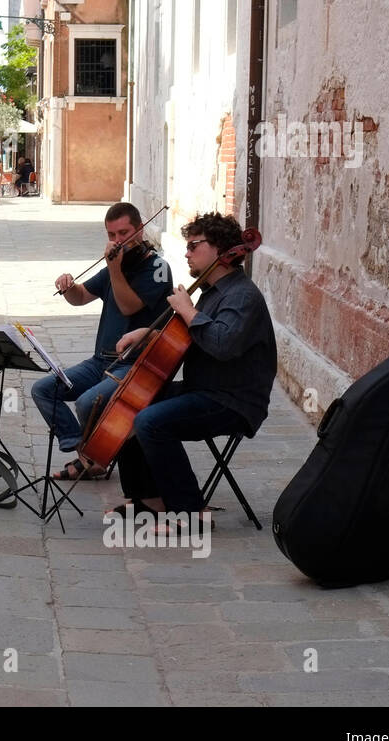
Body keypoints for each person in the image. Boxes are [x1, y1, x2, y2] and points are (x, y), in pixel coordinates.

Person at [95, 212, 277, 519]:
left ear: (220, 249)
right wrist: (149, 333)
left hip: (233, 400)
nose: (187, 253)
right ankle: (149, 500)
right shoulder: (211, 294)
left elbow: (222, 344)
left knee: (151, 421)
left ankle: (189, 511)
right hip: (205, 389)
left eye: (194, 246)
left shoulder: (242, 296)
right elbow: (191, 339)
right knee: (128, 403)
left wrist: (189, 312)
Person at [30, 203, 174, 479]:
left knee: (87, 403)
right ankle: (84, 451)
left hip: (133, 364)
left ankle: (93, 460)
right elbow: (82, 297)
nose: (117, 241)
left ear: (140, 230)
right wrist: (68, 287)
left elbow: (129, 307)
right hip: (100, 361)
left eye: (124, 233)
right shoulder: (113, 266)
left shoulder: (157, 268)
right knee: (44, 389)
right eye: (111, 235)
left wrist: (116, 269)